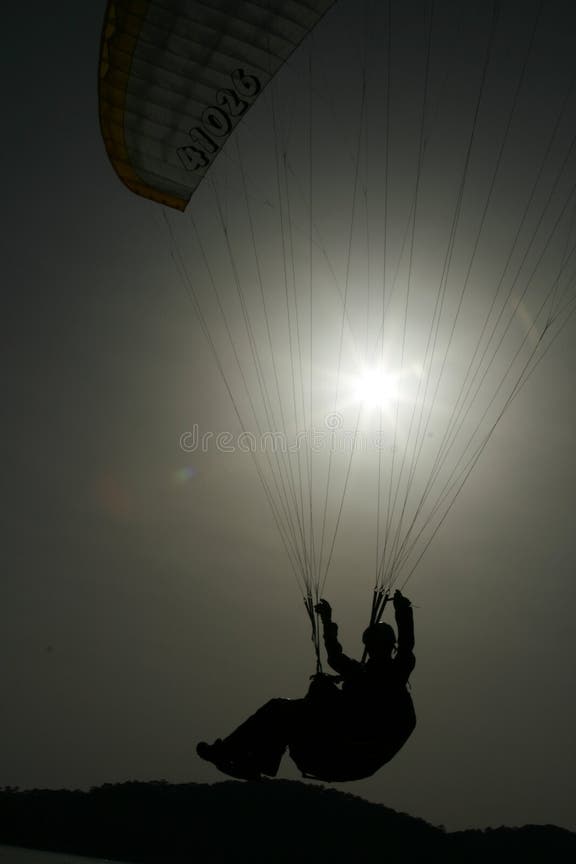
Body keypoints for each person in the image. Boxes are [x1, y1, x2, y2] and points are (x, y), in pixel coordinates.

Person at [196, 589, 416, 782]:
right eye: (372, 646)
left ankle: (238, 756)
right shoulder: (361, 672)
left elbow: (406, 647)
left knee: (290, 705)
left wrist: (403, 611)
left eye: (377, 646)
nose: (373, 651)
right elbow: (336, 657)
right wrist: (327, 622)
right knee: (283, 708)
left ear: (386, 647)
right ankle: (251, 762)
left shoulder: (393, 673)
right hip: (329, 750)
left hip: (349, 751)